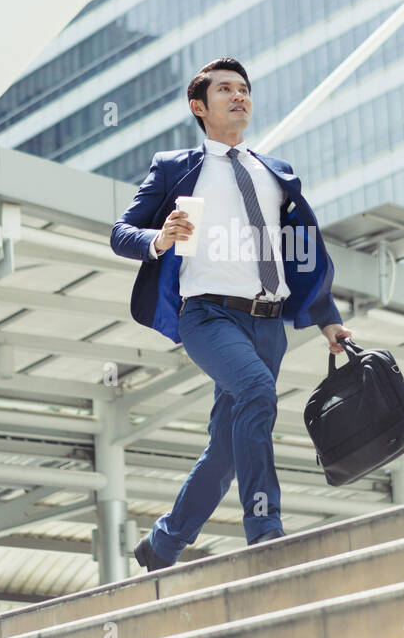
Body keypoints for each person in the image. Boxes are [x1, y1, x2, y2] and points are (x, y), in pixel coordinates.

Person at [109, 57, 353, 571]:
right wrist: (158, 239)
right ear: (199, 107)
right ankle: (265, 528)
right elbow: (120, 233)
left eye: (244, 89)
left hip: (269, 323)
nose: (239, 96)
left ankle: (164, 544)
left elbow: (300, 249)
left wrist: (326, 316)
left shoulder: (274, 173)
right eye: (225, 90)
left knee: (226, 447)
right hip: (209, 317)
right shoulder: (177, 168)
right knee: (258, 395)